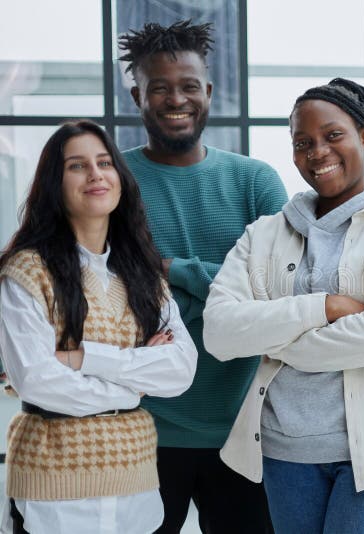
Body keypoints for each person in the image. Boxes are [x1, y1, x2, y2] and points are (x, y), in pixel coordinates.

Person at [202, 78, 364, 533]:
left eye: (333, 136)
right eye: (302, 142)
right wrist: (323, 307)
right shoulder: (264, 234)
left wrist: (275, 341)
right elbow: (219, 332)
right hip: (285, 453)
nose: (318, 152)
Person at [117, 20, 287, 533]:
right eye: (160, 87)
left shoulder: (255, 181)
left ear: (207, 91)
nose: (177, 99)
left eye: (189, 86)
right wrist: (222, 298)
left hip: (244, 428)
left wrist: (171, 272)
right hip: (142, 429)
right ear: (137, 95)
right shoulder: (114, 183)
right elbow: (111, 294)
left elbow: (280, 287)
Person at [0, 119, 197, 534]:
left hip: (136, 477)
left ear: (119, 178)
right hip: (54, 481)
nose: (95, 174)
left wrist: (82, 357)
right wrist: (132, 386)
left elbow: (179, 370)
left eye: (104, 162)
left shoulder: (142, 274)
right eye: (77, 165)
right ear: (55, 183)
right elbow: (37, 380)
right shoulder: (27, 272)